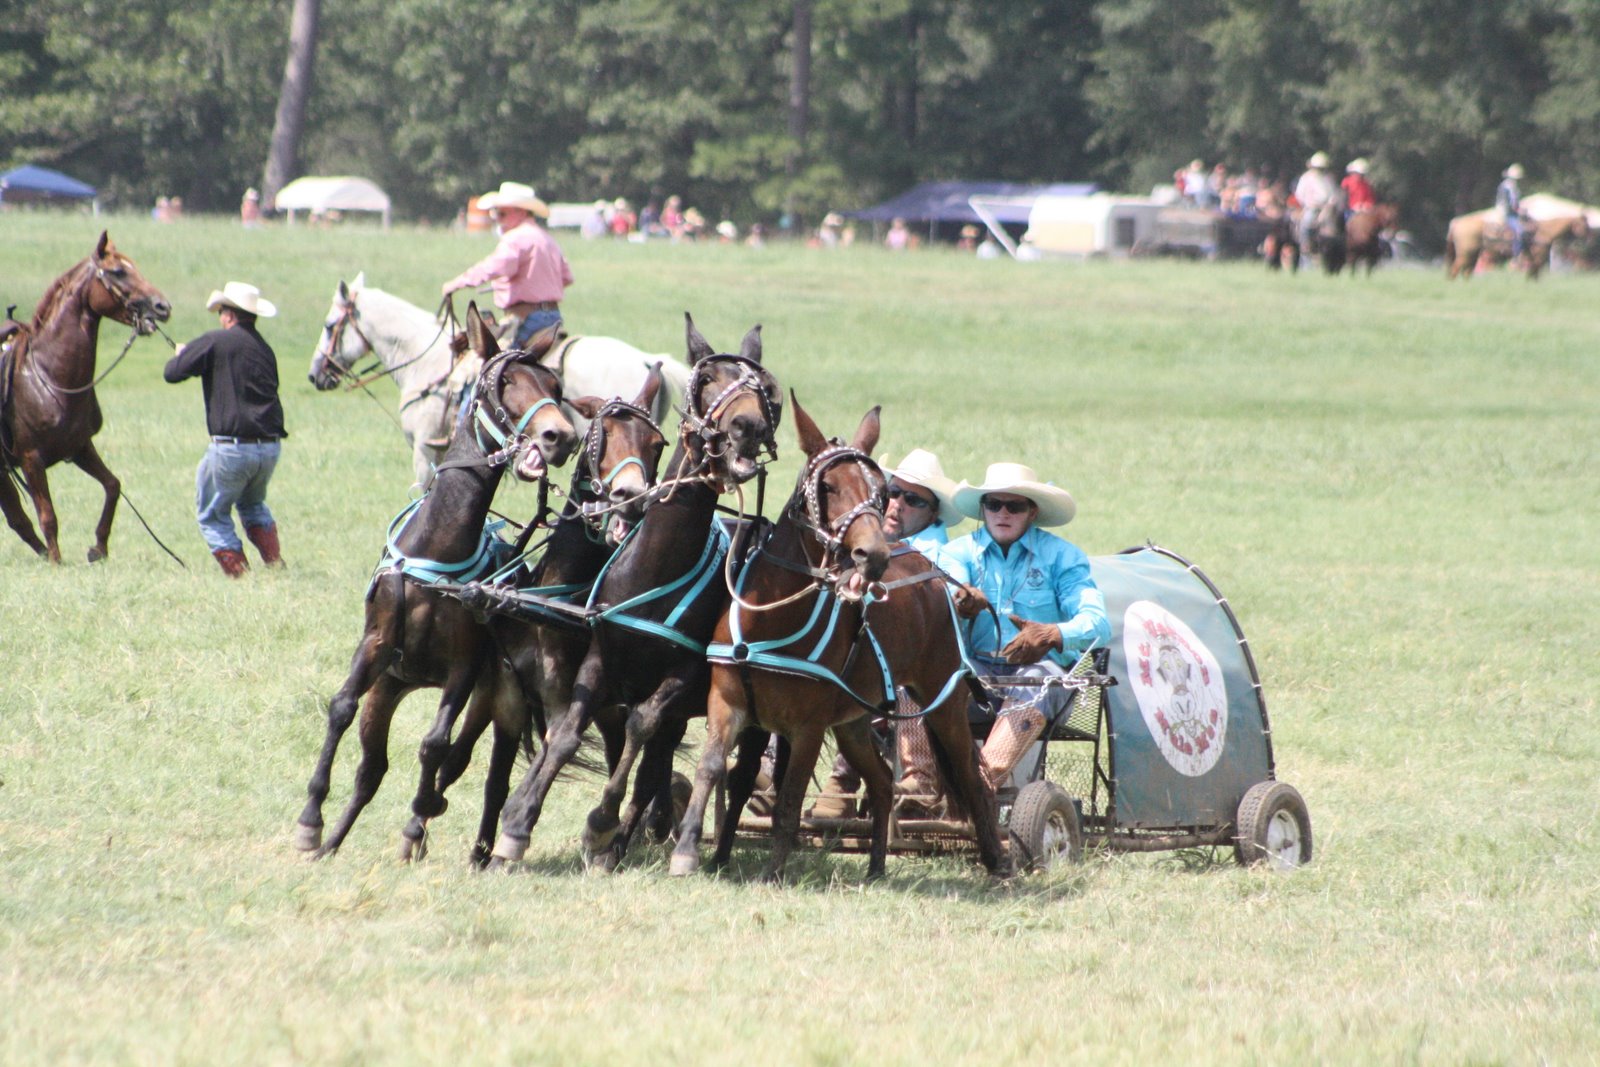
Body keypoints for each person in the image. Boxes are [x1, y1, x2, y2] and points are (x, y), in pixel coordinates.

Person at [897, 462, 1110, 812]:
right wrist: (962, 600)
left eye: (1015, 506)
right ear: (983, 509)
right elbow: (949, 587)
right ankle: (919, 783)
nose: (1003, 513)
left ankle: (977, 785)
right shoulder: (959, 552)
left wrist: (1053, 634)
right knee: (915, 683)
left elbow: (1098, 623)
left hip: (1044, 681)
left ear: (1032, 512)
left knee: (1037, 679)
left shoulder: (1063, 557)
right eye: (994, 504)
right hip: (976, 675)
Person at [808, 449, 963, 820]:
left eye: (913, 500)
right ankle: (771, 770)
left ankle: (845, 782)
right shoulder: (859, 545)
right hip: (862, 655)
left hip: (918, 664)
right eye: (892, 493)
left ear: (933, 513)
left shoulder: (943, 557)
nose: (897, 505)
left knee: (885, 681)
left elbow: (949, 600)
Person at [163, 282, 287, 577]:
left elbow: (172, 373)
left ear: (230, 315)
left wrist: (183, 354)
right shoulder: (265, 349)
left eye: (221, 312)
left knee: (212, 514)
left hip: (232, 449)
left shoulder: (215, 341)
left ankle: (240, 577)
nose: (220, 317)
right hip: (269, 448)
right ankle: (274, 565)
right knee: (253, 504)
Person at [442, 181, 573, 349]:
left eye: (502, 214)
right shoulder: (548, 239)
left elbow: (492, 268)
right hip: (553, 317)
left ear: (521, 212)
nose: (497, 219)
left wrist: (455, 284)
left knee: (494, 360)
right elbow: (566, 278)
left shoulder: (514, 238)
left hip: (527, 320)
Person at [1294, 151, 1336, 253]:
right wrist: (1308, 204)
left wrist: (1329, 206)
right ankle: (1305, 246)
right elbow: (1299, 194)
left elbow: (1332, 195)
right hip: (1311, 208)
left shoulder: (1327, 179)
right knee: (1307, 223)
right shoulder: (1306, 178)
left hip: (1327, 208)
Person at [1496, 163, 1526, 261]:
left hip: (1508, 210)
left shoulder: (1510, 186)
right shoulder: (1509, 187)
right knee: (1520, 230)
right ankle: (1516, 254)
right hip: (1507, 213)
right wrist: (1519, 210)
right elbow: (1511, 204)